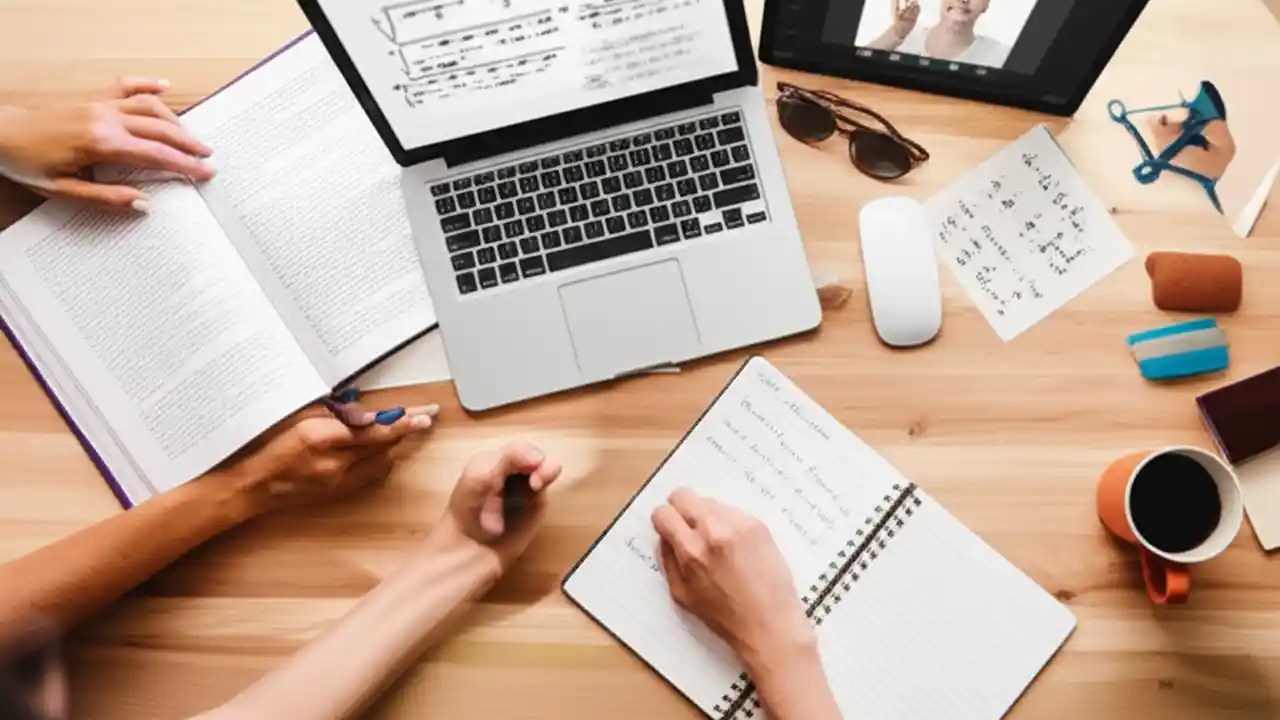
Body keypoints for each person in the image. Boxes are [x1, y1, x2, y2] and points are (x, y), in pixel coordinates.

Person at [866, 0, 1013, 69]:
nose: (963, 0)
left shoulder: (1000, 55)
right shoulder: (904, 36)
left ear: (987, 4)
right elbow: (854, 65)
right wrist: (896, 33)